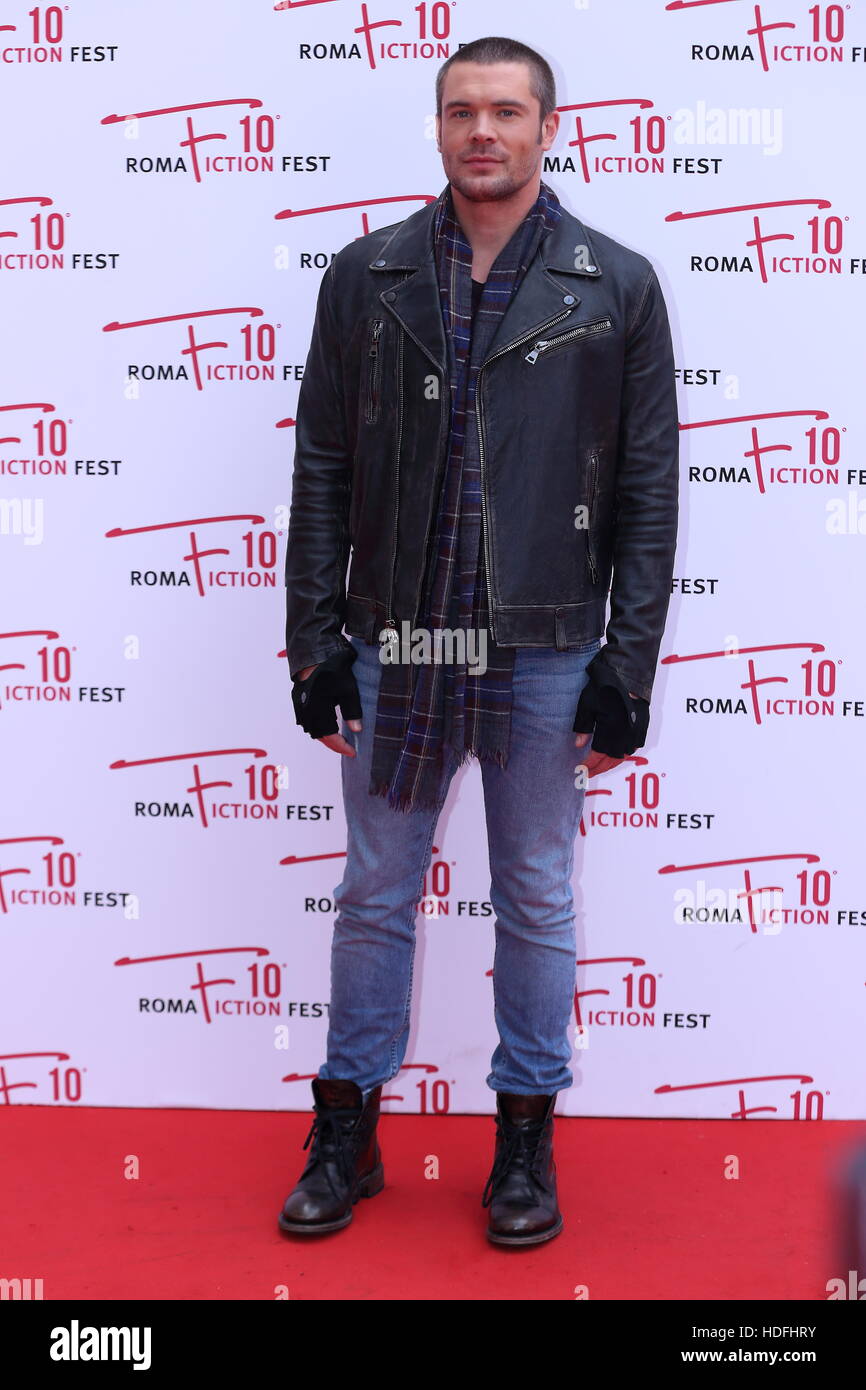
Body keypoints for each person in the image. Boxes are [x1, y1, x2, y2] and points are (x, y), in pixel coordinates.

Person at [279, 35, 679, 1246]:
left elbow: (647, 491)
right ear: (437, 127)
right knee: (373, 895)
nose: (482, 132)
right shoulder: (368, 275)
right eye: (462, 112)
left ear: (547, 127)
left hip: (546, 638)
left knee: (537, 899)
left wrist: (626, 666)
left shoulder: (615, 284)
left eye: (506, 111)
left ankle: (521, 1146)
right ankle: (345, 1133)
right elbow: (322, 467)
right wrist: (311, 641)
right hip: (395, 636)